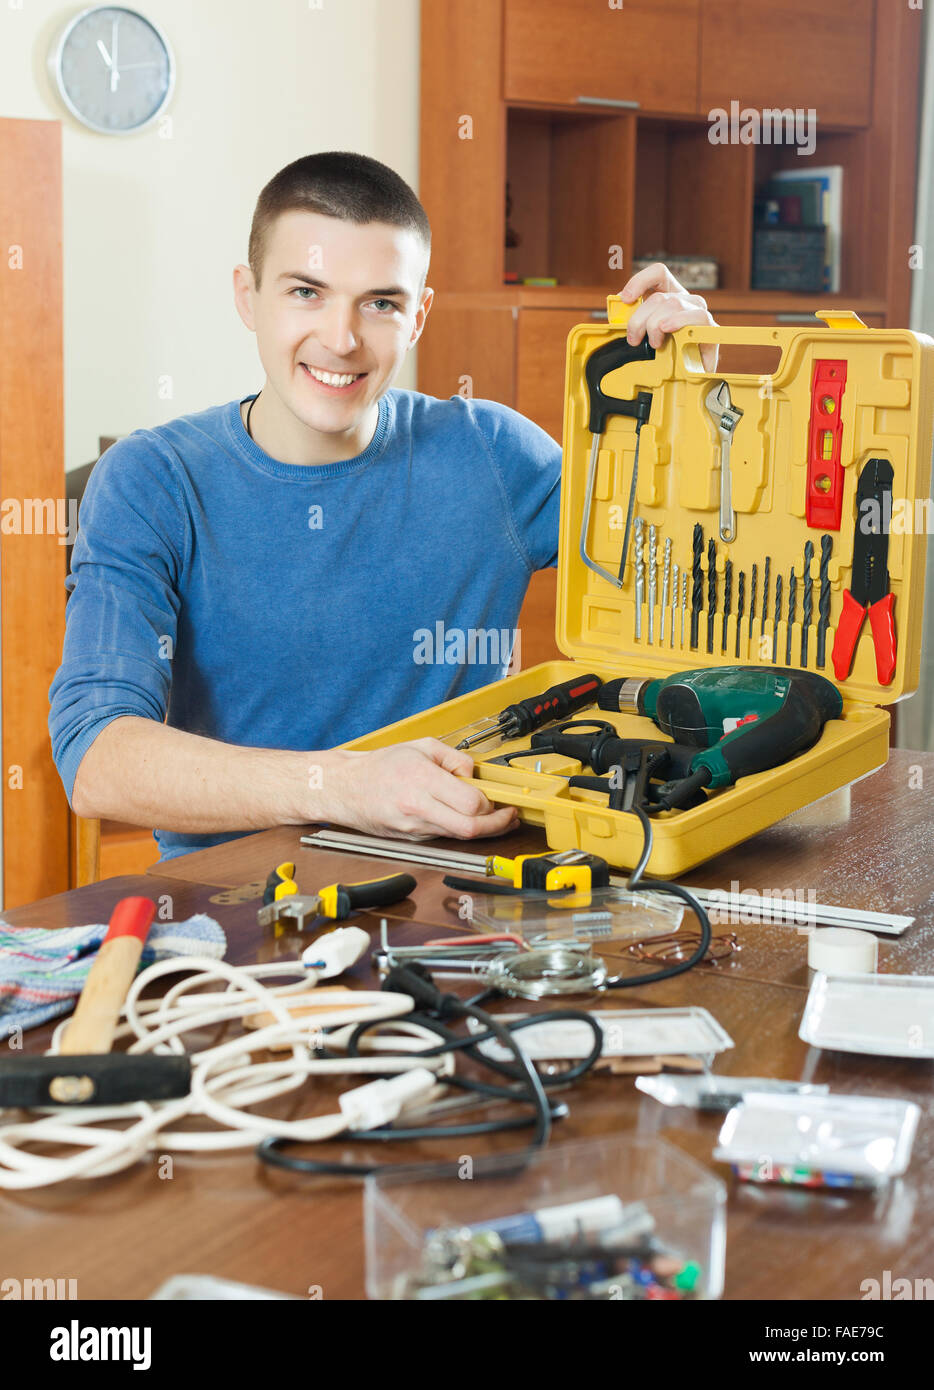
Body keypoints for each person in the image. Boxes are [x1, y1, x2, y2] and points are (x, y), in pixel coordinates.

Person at [50, 151, 717, 861]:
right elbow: (97, 757)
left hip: (459, 893)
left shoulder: (491, 454)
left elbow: (692, 566)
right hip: (236, 905)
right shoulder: (152, 481)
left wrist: (694, 392)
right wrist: (338, 786)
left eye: (381, 303)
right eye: (306, 292)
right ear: (247, 296)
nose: (342, 338)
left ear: (418, 315)